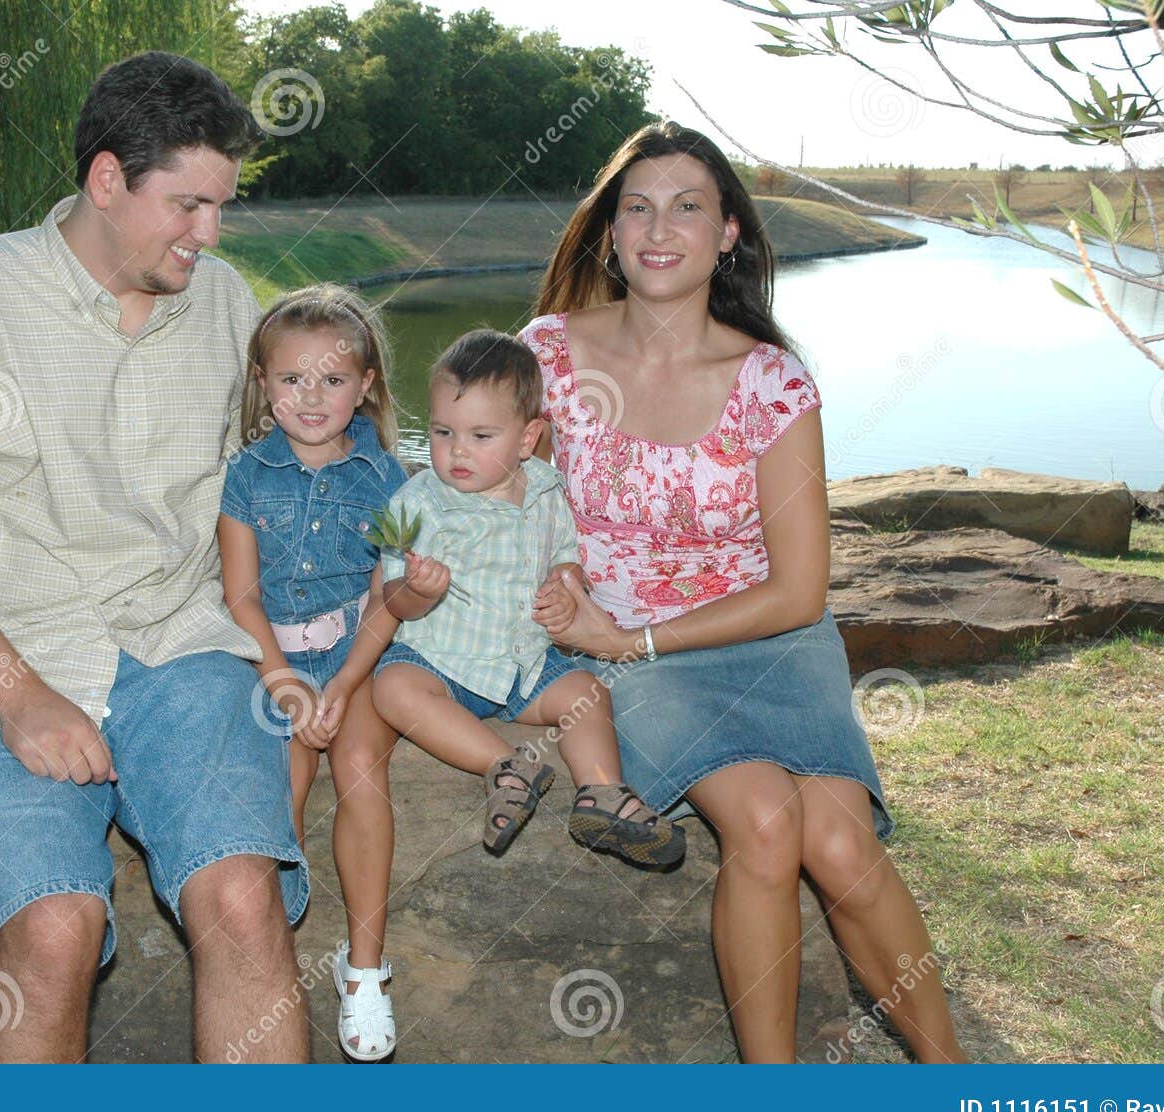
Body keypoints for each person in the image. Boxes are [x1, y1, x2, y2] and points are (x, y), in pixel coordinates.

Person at [0, 52, 310, 1063]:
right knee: (51, 930)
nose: (208, 236)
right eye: (188, 205)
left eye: (221, 207)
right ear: (108, 180)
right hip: (15, 655)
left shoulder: (221, 305)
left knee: (244, 899)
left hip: (181, 647)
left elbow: (283, 477)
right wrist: (17, 690)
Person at [519, 120, 966, 1062]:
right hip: (620, 647)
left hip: (764, 640)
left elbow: (803, 589)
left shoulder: (770, 380)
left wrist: (633, 642)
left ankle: (953, 1083)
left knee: (841, 847)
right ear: (607, 232)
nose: (657, 228)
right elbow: (499, 495)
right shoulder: (551, 357)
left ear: (728, 232)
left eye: (688, 206)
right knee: (765, 821)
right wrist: (558, 580)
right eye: (635, 207)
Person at [371, 329, 685, 869]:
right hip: (441, 662)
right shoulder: (420, 499)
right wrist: (416, 592)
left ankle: (601, 792)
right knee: (394, 687)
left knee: (585, 690)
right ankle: (507, 766)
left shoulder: (546, 488)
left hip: (526, 666)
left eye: (481, 436)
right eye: (443, 432)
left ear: (526, 437)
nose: (456, 451)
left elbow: (566, 560)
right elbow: (394, 600)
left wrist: (566, 590)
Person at [217, 285, 406, 1062]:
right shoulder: (245, 475)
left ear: (365, 385)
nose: (311, 396)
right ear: (264, 383)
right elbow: (240, 594)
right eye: (292, 379)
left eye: (332, 379)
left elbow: (389, 594)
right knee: (282, 785)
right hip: (273, 656)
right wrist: (284, 680)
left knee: (359, 769)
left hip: (361, 654)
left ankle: (365, 971)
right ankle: (273, 964)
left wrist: (342, 682)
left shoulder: (393, 479)